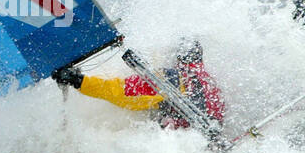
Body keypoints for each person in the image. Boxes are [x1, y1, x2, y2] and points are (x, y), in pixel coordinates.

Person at [51, 39, 226, 131]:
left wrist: (77, 80)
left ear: (178, 57)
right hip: (204, 140)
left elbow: (118, 92)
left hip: (185, 144)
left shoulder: (171, 78)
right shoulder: (210, 81)